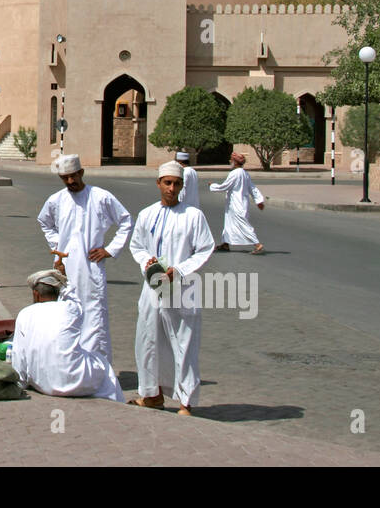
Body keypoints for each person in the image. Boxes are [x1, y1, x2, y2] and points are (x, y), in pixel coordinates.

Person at [128, 160, 215, 415]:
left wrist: (180, 270)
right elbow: (137, 246)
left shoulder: (193, 216)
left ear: (181, 186)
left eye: (176, 184)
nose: (171, 188)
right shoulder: (147, 214)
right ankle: (151, 394)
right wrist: (148, 262)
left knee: (184, 343)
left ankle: (186, 402)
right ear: (158, 183)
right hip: (153, 286)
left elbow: (205, 248)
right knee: (148, 340)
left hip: (181, 288)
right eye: (167, 183)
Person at [37, 153, 133, 365]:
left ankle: (99, 371)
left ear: (81, 172)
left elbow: (126, 220)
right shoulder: (57, 200)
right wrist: (57, 246)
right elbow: (44, 222)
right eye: (65, 178)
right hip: (65, 269)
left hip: (91, 269)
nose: (70, 181)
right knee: (68, 316)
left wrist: (109, 249)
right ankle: (71, 367)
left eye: (73, 176)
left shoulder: (100, 197)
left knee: (94, 320)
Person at [11, 268, 126, 402]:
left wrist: (21, 382)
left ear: (36, 294)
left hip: (42, 383)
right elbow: (74, 296)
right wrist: (65, 279)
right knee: (102, 363)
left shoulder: (25, 313)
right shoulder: (70, 308)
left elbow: (19, 353)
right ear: (58, 292)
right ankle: (117, 403)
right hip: (76, 381)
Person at [209, 152, 265, 253]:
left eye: (231, 160)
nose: (230, 161)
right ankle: (225, 244)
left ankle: (257, 244)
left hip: (237, 204)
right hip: (237, 203)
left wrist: (213, 185)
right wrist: (258, 200)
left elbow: (225, 186)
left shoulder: (235, 173)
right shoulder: (244, 173)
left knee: (242, 224)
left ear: (235, 162)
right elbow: (252, 188)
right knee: (229, 223)